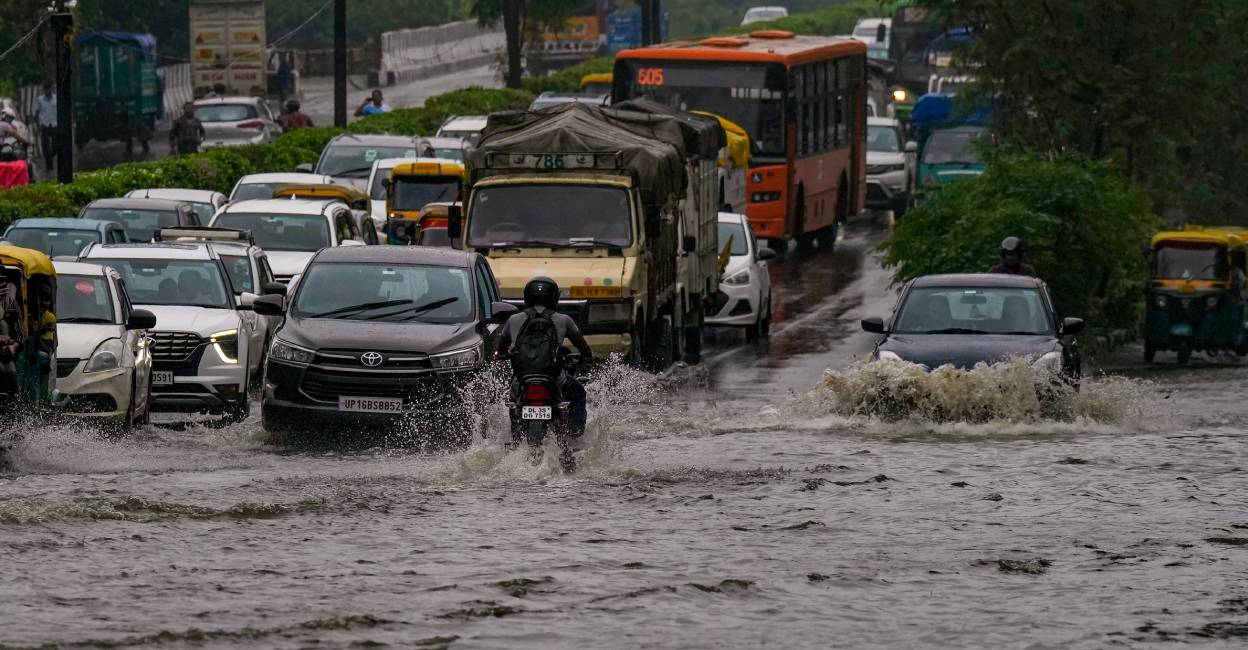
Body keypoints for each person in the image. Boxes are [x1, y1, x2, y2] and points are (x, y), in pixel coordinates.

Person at [496, 277, 593, 435]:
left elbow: (501, 350)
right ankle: (575, 433)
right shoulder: (564, 319)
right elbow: (584, 349)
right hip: (555, 380)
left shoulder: (513, 320)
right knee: (578, 392)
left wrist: (501, 357)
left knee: (512, 401)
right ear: (555, 297)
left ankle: (515, 437)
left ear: (527, 296)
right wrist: (587, 360)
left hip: (521, 380)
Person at [34, 83, 56, 173]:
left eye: (49, 89)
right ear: (44, 90)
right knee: (45, 146)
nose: (48, 91)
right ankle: (49, 166)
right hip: (44, 124)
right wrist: (37, 124)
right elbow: (36, 112)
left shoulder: (56, 98)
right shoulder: (39, 99)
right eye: (46, 90)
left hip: (55, 124)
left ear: (51, 89)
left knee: (56, 145)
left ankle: (50, 158)